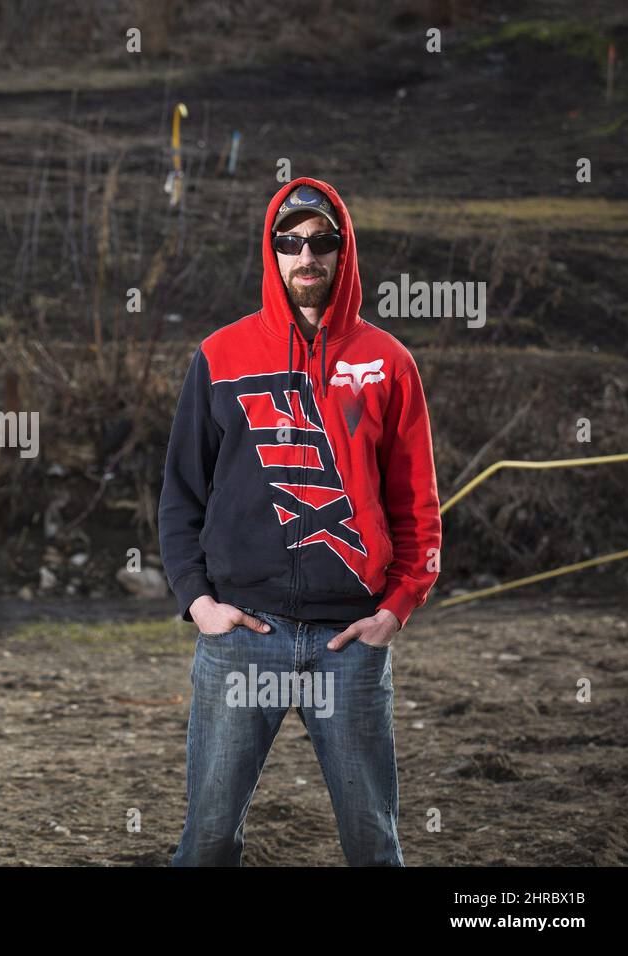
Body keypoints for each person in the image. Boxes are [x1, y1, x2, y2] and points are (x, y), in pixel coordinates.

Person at [159, 178, 441, 866]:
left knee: (374, 844)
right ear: (271, 250)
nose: (305, 255)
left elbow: (418, 508)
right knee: (208, 840)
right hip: (241, 636)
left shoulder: (389, 363)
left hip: (349, 641)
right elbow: (179, 497)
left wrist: (396, 609)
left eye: (321, 241)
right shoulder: (221, 356)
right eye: (290, 241)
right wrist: (199, 603)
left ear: (344, 252)